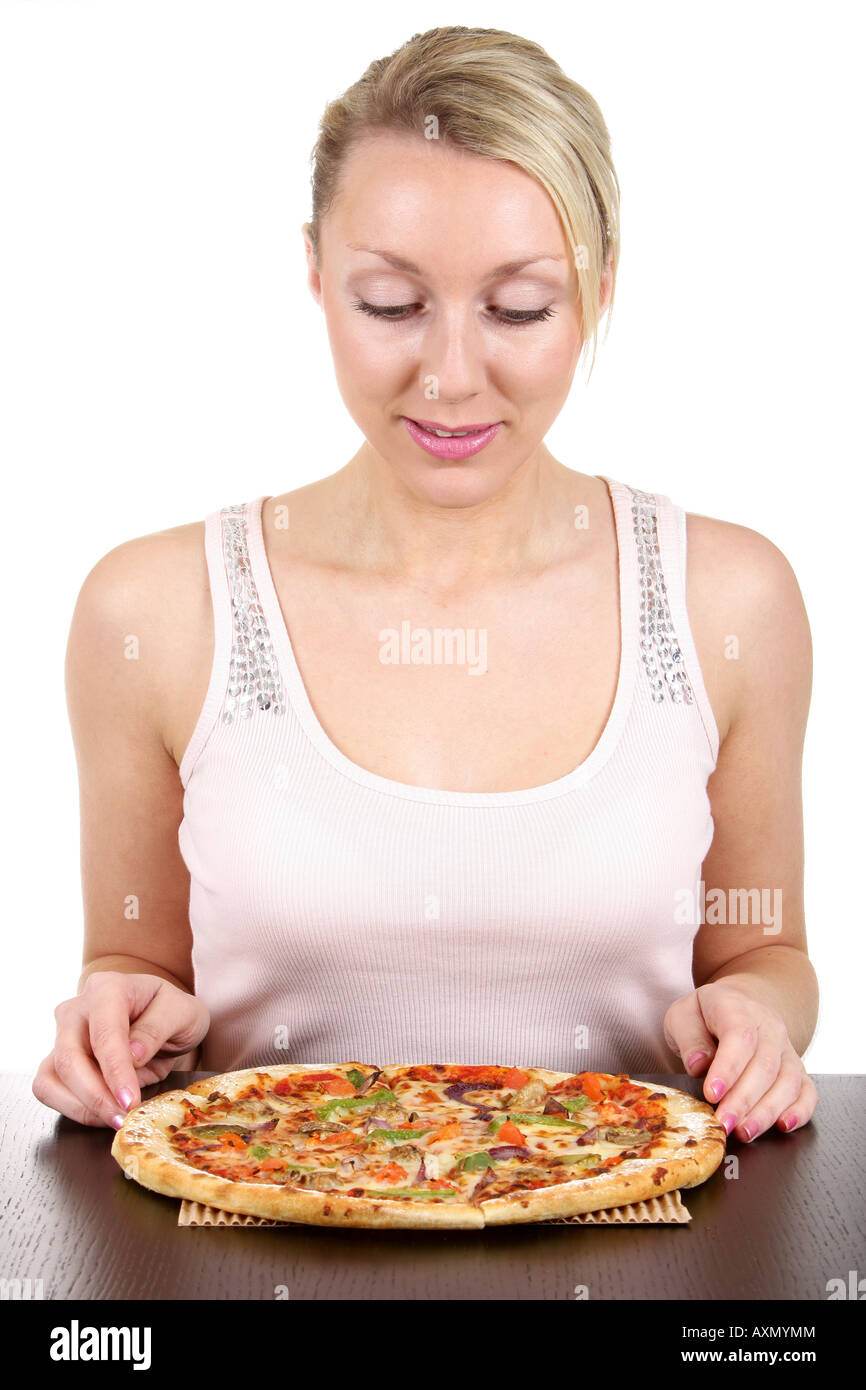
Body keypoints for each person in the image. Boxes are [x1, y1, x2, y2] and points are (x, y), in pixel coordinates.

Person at [33, 25, 818, 1147]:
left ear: (599, 288)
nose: (450, 375)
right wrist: (119, 1019)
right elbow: (132, 962)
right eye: (392, 304)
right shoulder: (153, 613)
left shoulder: (727, 601)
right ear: (314, 273)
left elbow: (765, 954)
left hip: (637, 1245)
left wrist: (756, 1017)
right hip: (263, 1242)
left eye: (517, 309)